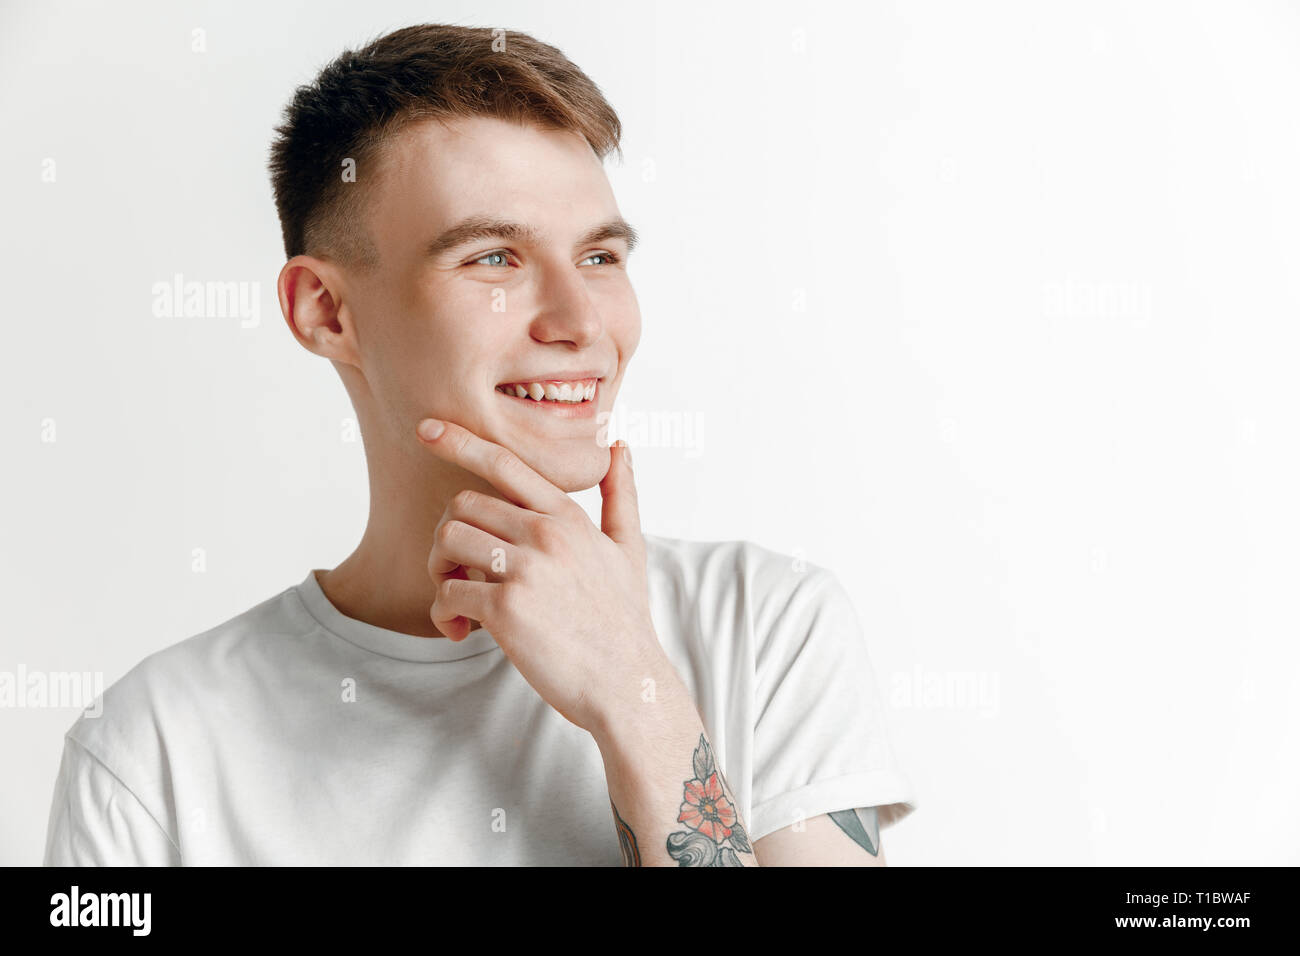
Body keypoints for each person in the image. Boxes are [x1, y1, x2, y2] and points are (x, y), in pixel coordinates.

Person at [42, 23, 916, 867]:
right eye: (495, 258)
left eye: (602, 258)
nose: (582, 324)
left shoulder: (767, 629)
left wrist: (636, 697)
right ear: (327, 312)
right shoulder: (152, 751)